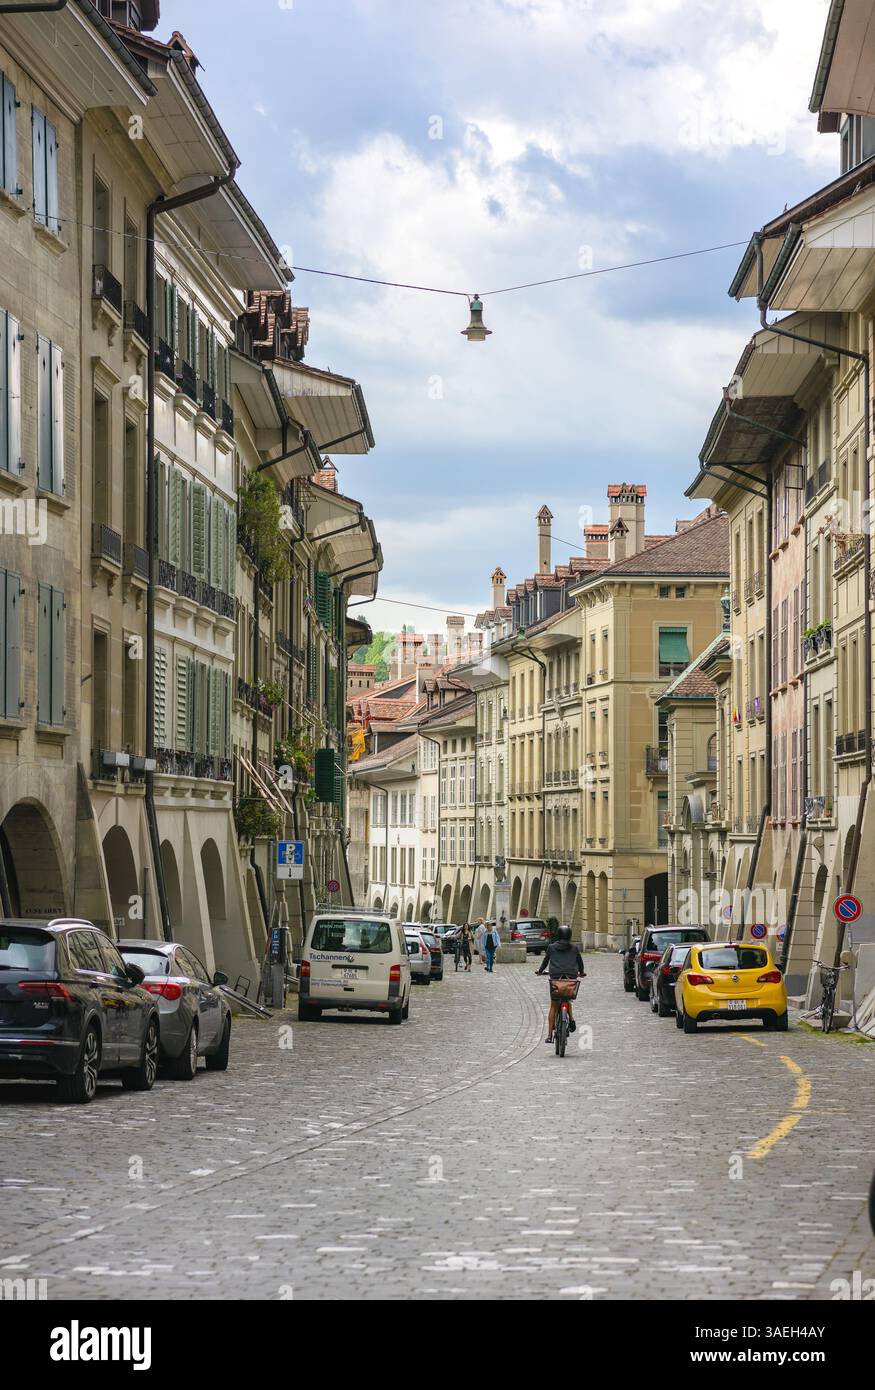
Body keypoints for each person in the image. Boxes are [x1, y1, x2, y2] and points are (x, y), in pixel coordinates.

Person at [535, 924, 585, 1043]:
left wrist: (540, 971)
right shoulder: (574, 948)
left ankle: (549, 1036)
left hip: (556, 978)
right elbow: (580, 962)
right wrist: (581, 972)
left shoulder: (551, 947)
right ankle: (571, 1019)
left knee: (553, 1005)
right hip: (570, 977)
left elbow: (545, 961)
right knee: (567, 997)